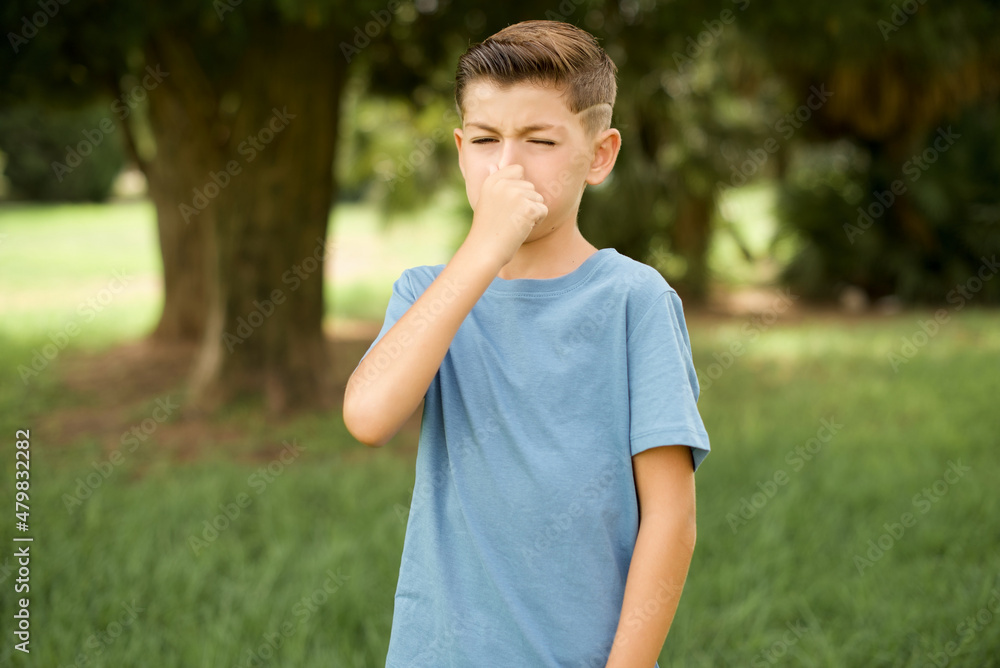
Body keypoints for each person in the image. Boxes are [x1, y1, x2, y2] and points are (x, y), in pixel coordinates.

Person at [342, 19, 710, 668]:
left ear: (599, 155)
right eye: (485, 140)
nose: (507, 165)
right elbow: (368, 417)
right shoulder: (429, 293)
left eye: (539, 140)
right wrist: (483, 253)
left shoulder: (635, 301)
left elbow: (671, 518)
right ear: (460, 151)